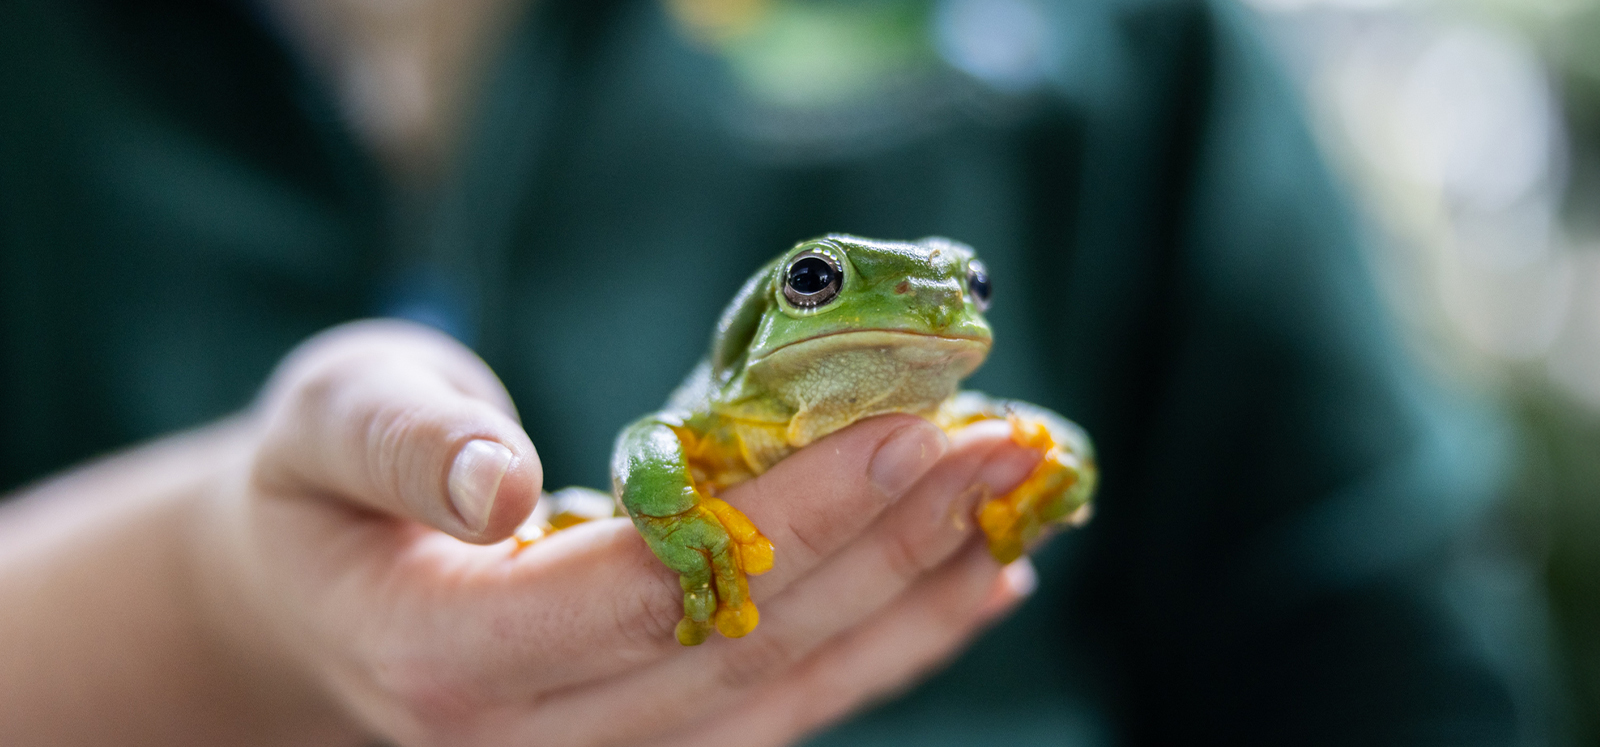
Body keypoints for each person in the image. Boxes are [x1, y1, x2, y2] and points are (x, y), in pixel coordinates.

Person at [0, 0, 1531, 744]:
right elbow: (654, 464)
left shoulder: (1116, 46)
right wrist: (195, 609)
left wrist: (1039, 483)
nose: (928, 304)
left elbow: (1394, 658)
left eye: (968, 291)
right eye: (821, 286)